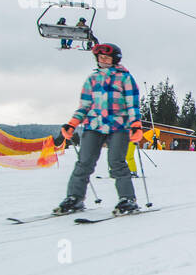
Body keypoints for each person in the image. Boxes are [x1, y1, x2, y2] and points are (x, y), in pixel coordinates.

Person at [52, 43, 143, 215]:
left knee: (116, 162)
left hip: (118, 126)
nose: (103, 60)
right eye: (100, 57)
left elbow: (133, 104)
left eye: (106, 57)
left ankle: (127, 199)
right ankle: (74, 198)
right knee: (84, 163)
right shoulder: (92, 79)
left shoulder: (125, 78)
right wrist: (72, 123)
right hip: (93, 126)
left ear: (115, 59)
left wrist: (135, 125)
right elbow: (84, 105)